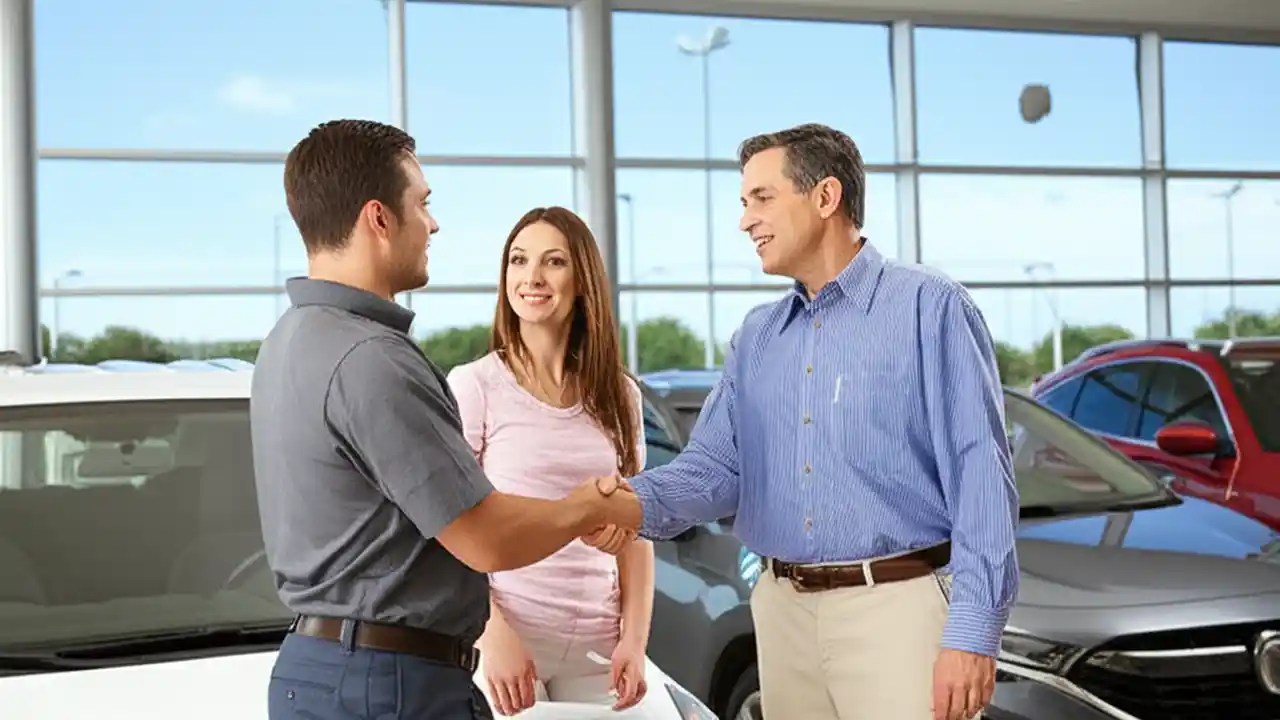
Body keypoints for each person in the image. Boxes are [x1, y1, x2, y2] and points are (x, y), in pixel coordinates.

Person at [593, 123, 1019, 720]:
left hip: (896, 611)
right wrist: (627, 505)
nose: (746, 221)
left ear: (825, 198)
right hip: (781, 611)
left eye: (761, 199)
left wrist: (972, 635)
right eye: (745, 204)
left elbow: (981, 479)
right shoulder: (756, 337)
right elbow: (715, 469)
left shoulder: (930, 307)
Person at [250, 119, 641, 720]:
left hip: (327, 668)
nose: (432, 224)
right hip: (390, 681)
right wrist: (588, 506)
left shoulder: (289, 340)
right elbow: (483, 535)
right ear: (379, 219)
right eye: (422, 204)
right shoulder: (372, 360)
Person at [446, 206, 662, 718]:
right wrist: (490, 634)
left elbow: (637, 535)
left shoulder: (621, 395)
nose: (532, 278)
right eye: (518, 261)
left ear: (582, 279)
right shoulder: (475, 385)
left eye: (553, 262)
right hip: (507, 645)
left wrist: (634, 643)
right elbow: (446, 530)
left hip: (599, 647)